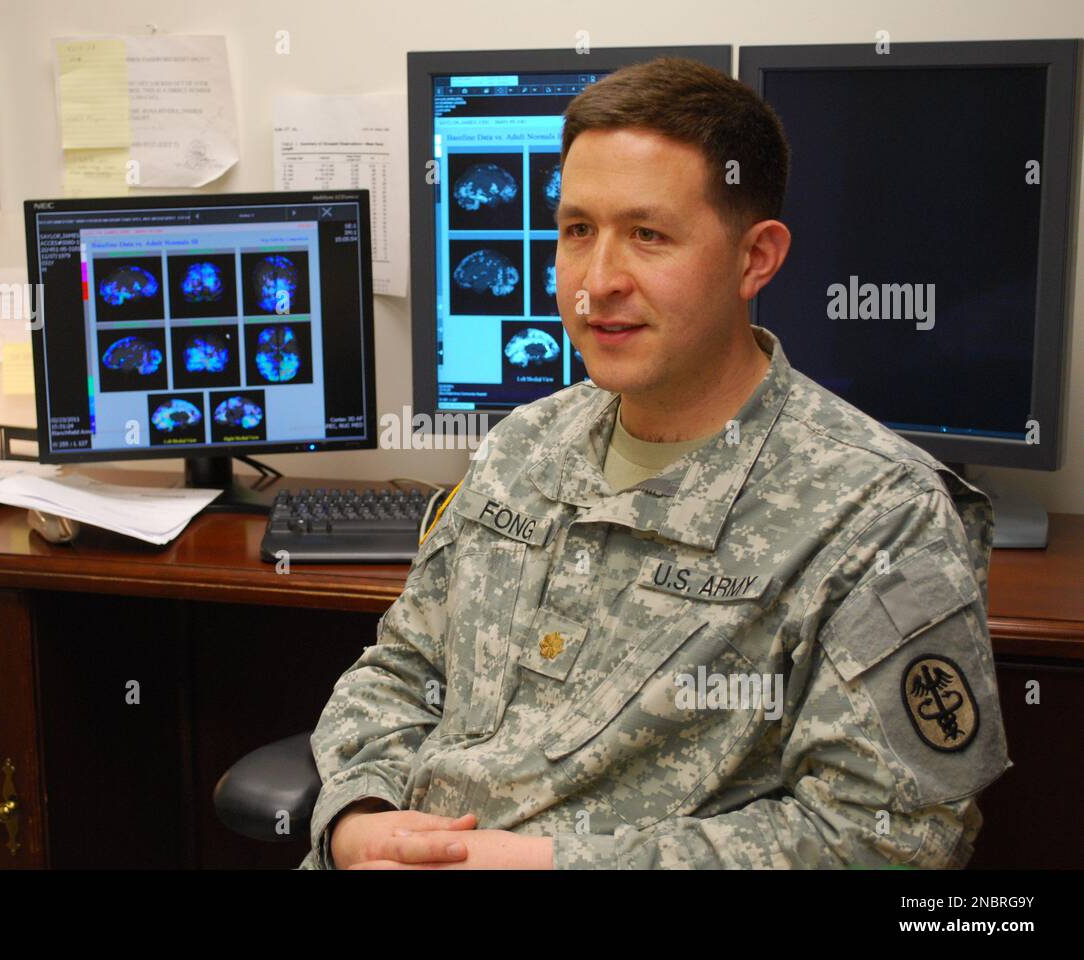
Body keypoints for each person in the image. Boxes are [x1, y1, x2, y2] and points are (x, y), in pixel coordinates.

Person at [298, 57, 1011, 869]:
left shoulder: (881, 515)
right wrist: (358, 816)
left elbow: (892, 841)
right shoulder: (523, 445)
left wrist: (542, 864)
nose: (596, 284)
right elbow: (401, 666)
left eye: (648, 235)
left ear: (755, 259)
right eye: (577, 231)